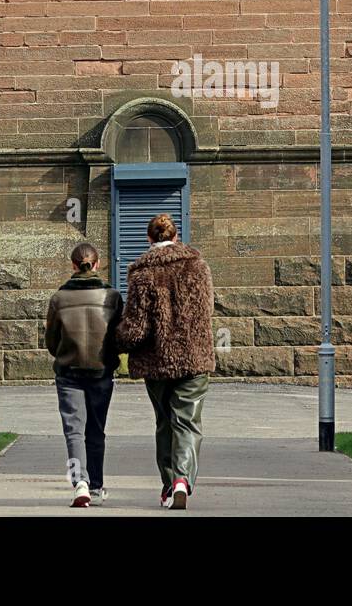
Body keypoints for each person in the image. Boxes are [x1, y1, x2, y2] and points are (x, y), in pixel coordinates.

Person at [115, 213, 215, 510]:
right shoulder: (198, 265)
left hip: (157, 362)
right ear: (177, 237)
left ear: (149, 239)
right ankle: (183, 480)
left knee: (164, 423)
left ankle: (169, 484)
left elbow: (136, 328)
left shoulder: (141, 273)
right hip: (194, 358)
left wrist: (116, 342)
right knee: (188, 422)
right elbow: (206, 309)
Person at [44, 242, 123, 508]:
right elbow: (118, 337)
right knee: (96, 431)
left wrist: (65, 353)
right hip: (101, 372)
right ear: (97, 264)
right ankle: (97, 486)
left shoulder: (59, 298)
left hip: (69, 373)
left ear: (73, 266)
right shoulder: (112, 297)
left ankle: (80, 482)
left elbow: (51, 342)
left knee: (73, 431)